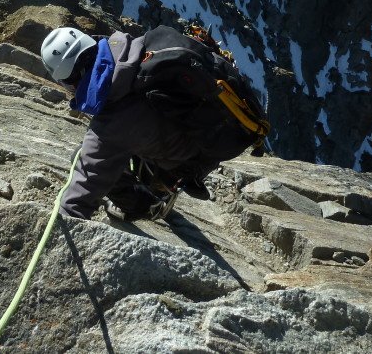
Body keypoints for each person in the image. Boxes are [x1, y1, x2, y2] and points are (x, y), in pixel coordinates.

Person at [41, 25, 259, 221]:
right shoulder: (135, 50)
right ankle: (161, 175)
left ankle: (149, 205)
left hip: (191, 156)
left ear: (70, 81)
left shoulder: (111, 126)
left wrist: (64, 225)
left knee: (81, 155)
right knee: (132, 139)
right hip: (210, 130)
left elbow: (85, 185)